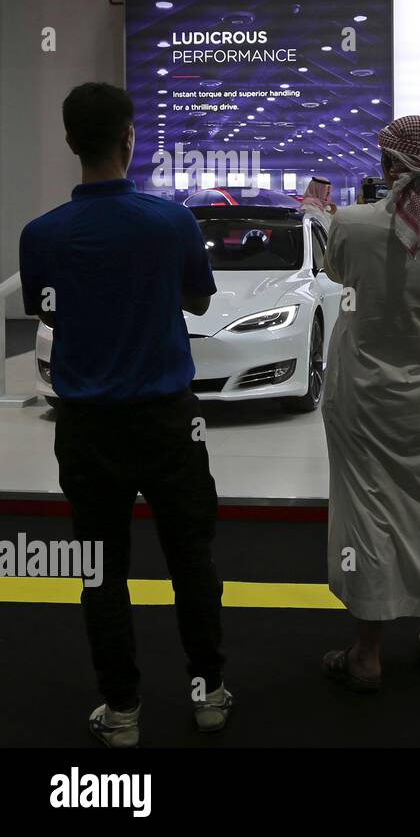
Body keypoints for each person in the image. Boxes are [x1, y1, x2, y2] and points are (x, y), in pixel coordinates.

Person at [18, 82, 230, 747]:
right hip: (170, 421)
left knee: (101, 570)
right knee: (191, 558)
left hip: (87, 429)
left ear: (70, 141)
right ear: (128, 139)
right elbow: (197, 302)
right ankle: (209, 695)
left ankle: (122, 711)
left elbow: (49, 311)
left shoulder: (42, 235)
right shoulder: (173, 224)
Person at [320, 114, 420, 690]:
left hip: (363, 395)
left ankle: (367, 654)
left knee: (370, 514)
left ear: (389, 166)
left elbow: (336, 270)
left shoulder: (351, 224)